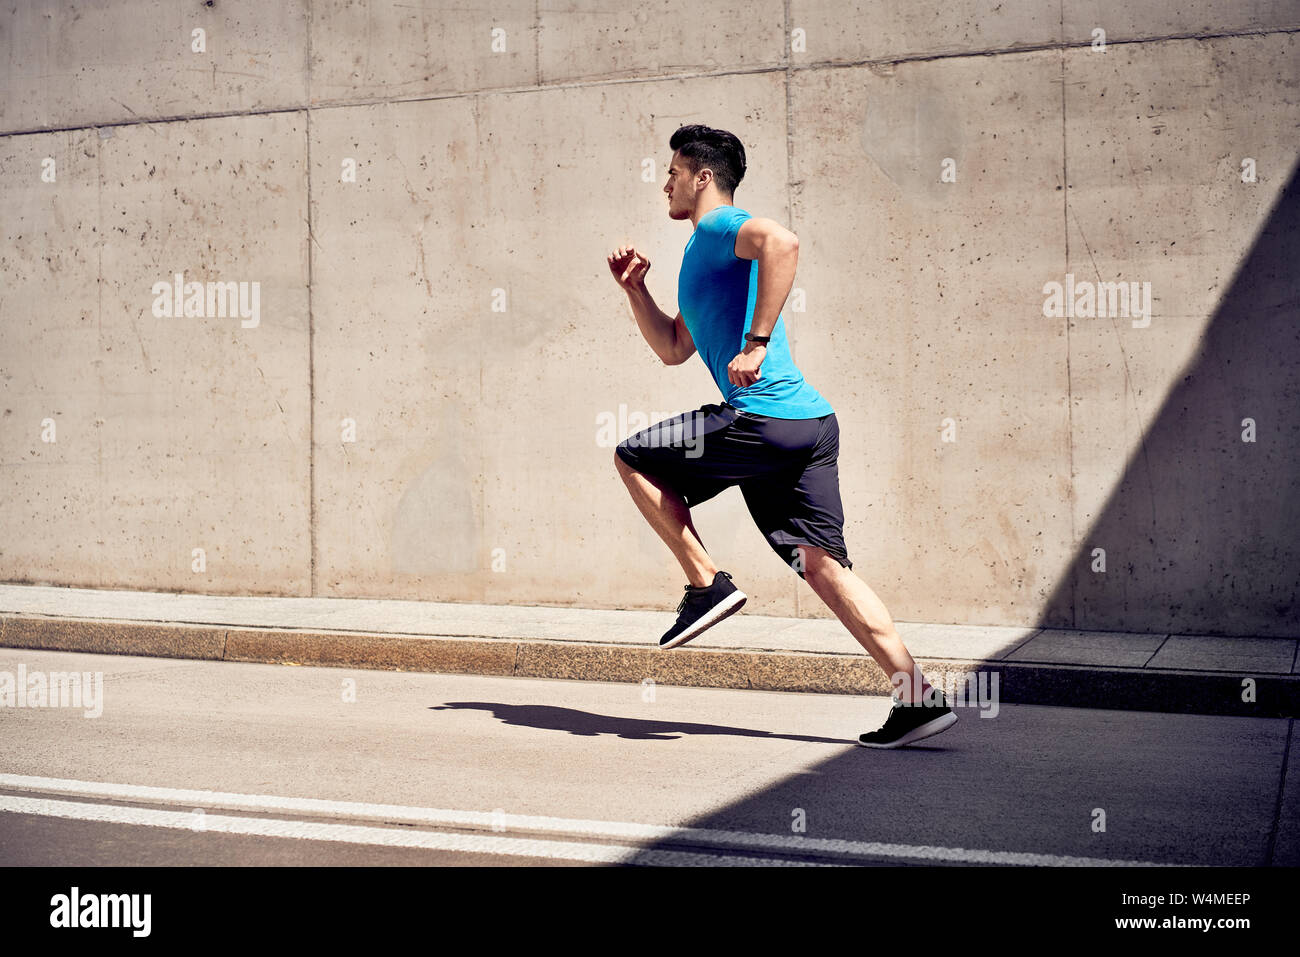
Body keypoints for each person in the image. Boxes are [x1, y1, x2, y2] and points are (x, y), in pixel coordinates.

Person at [607, 124, 956, 748]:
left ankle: (705, 583)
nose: (665, 182)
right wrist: (636, 291)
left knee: (632, 456)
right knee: (824, 567)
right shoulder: (702, 258)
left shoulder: (720, 228)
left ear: (701, 177)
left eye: (673, 172)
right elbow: (672, 347)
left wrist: (758, 342)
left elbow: (784, 242)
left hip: (762, 420)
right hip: (810, 427)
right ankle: (916, 696)